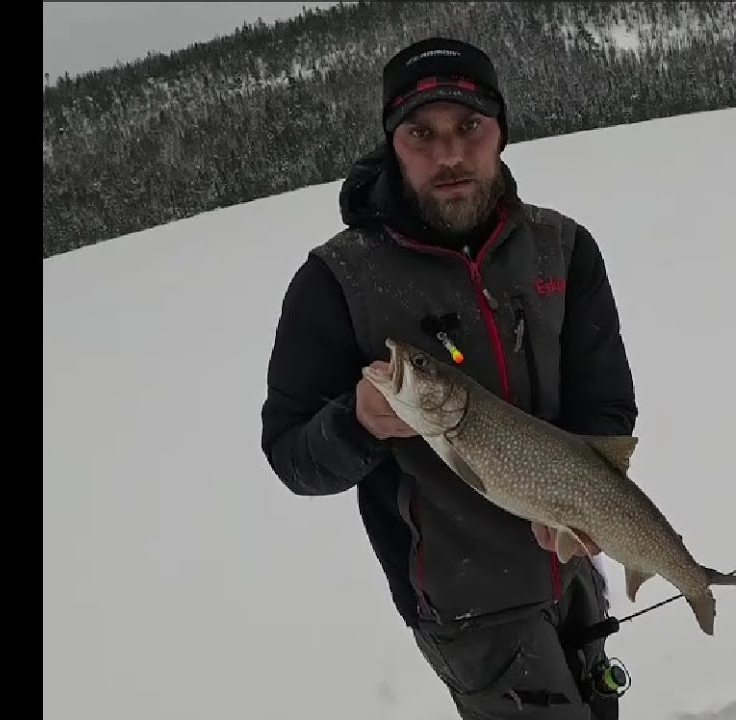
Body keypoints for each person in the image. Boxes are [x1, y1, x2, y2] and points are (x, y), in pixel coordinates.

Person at [260, 36, 637, 719]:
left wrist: (579, 504)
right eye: (421, 134)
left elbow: (606, 407)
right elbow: (291, 456)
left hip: (576, 566)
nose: (450, 155)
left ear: (500, 131)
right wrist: (358, 423)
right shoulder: (335, 282)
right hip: (468, 606)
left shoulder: (564, 247)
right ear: (392, 142)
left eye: (469, 127)